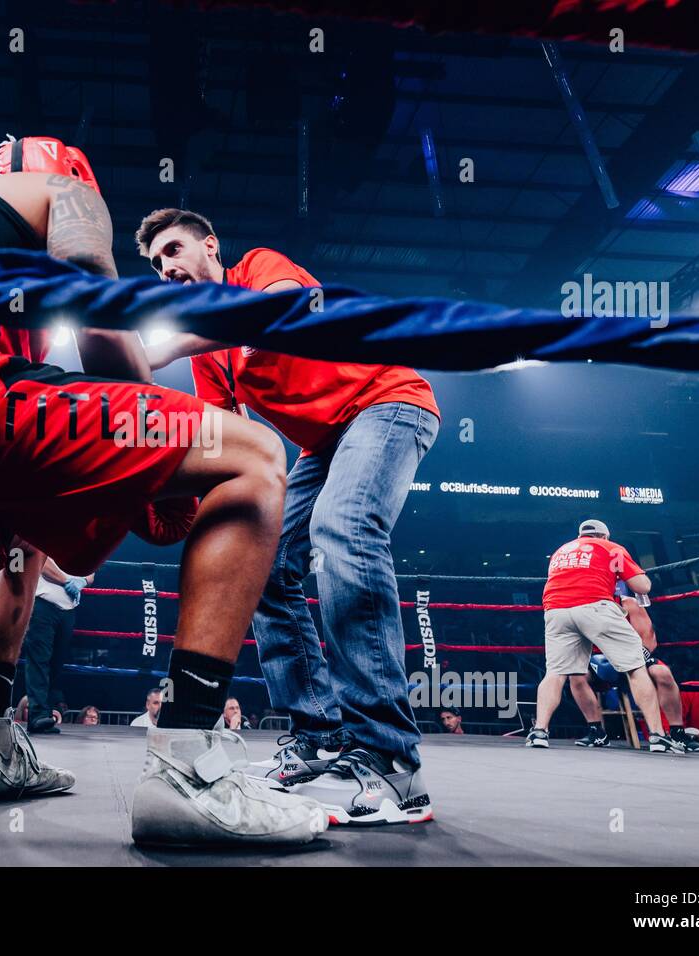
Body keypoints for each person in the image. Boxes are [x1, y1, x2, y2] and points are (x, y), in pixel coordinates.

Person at [0, 138, 326, 845]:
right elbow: (96, 315)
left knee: (32, 533)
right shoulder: (64, 195)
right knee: (252, 455)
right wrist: (158, 427)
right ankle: (188, 763)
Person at [136, 208, 440, 825]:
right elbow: (228, 444)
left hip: (387, 403)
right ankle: (320, 732)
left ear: (211, 246)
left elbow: (279, 313)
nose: (167, 268)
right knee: (264, 562)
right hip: (324, 445)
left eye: (174, 250)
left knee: (343, 530)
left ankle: (391, 760)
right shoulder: (210, 361)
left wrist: (159, 345)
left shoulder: (259, 270)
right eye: (156, 264)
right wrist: (165, 495)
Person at [527, 519, 684, 754]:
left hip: (555, 610)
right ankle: (657, 736)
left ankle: (539, 731)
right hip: (594, 606)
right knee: (636, 668)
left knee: (556, 672)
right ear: (605, 536)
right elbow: (643, 586)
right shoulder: (611, 548)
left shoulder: (561, 551)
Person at [572, 584, 699, 751]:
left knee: (662, 672)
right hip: (599, 662)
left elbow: (649, 640)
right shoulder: (581, 608)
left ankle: (678, 733)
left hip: (634, 658)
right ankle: (596, 731)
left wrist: (630, 663)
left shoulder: (629, 604)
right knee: (575, 674)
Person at [20, 558, 90, 734]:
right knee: (39, 659)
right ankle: (36, 715)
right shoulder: (50, 533)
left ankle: (47, 715)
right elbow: (41, 563)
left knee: (57, 664)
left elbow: (92, 571)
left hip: (68, 609)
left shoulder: (84, 539)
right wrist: (66, 580)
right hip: (43, 604)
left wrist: (81, 581)